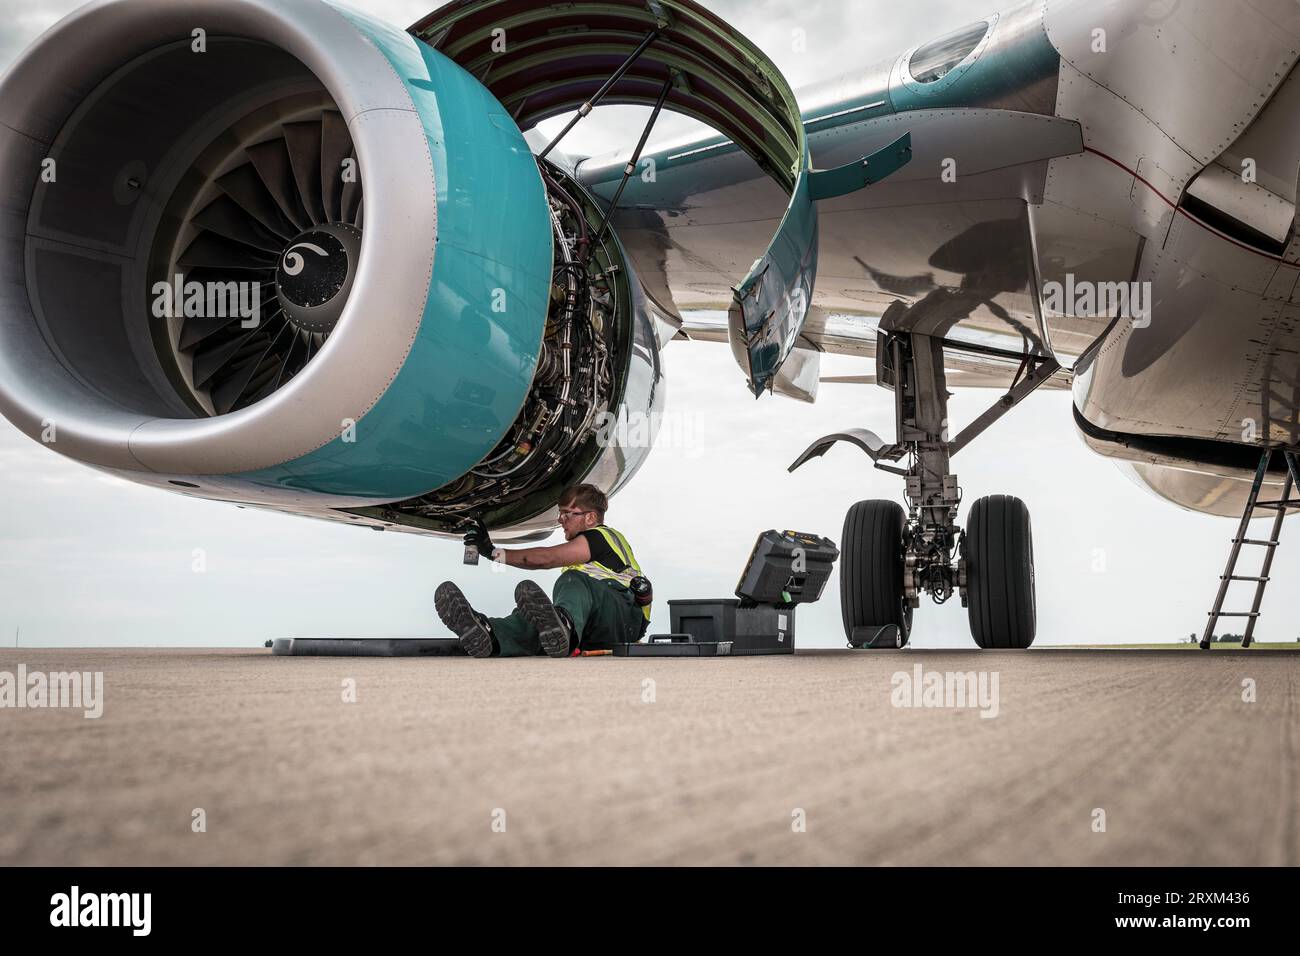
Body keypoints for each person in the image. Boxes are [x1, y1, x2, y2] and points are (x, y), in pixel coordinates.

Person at [434, 484, 650, 658]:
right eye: (560, 513)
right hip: (597, 628)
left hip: (624, 618)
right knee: (538, 618)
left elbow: (545, 559)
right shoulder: (587, 559)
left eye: (567, 514)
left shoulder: (602, 536)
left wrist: (492, 552)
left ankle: (565, 628)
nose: (560, 520)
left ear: (590, 518)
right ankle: (491, 635)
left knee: (572, 581)